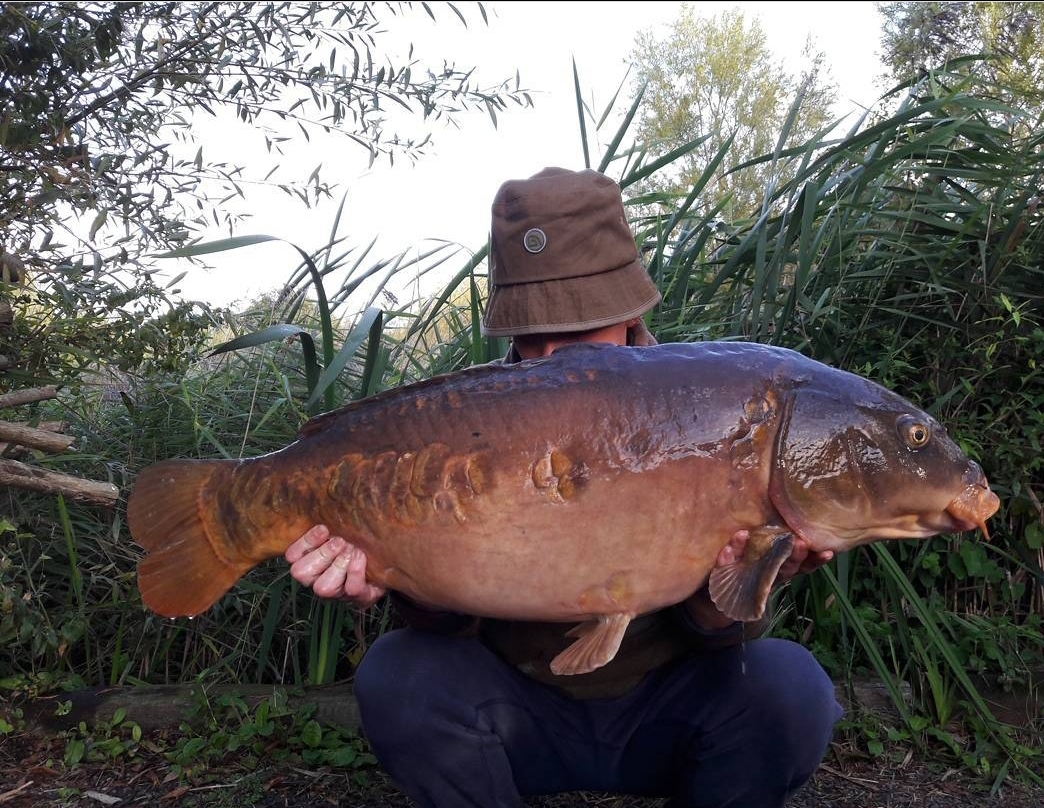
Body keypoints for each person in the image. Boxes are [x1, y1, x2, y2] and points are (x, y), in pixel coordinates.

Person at [284, 167, 843, 808]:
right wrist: (391, 572)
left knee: (790, 687)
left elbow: (721, 640)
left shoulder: (714, 413)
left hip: (665, 715)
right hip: (519, 713)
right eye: (530, 335)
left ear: (632, 315)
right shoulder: (466, 421)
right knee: (398, 675)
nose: (552, 355)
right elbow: (450, 626)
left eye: (578, 332)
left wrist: (730, 587)